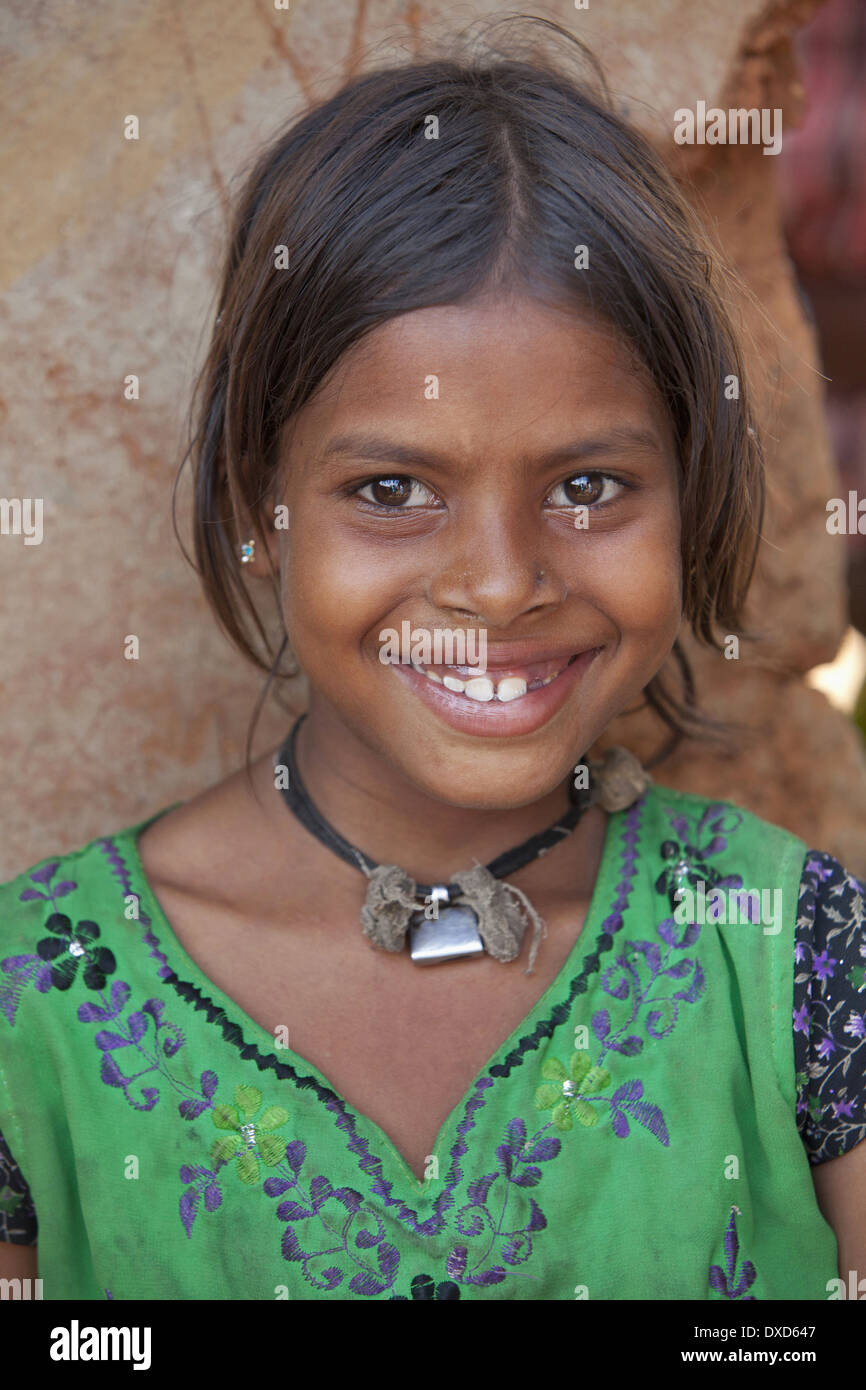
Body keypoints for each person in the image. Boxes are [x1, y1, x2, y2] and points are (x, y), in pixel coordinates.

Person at [1, 23, 865, 1302]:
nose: (501, 581)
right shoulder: (44, 1000)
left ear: (690, 499)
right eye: (393, 487)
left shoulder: (791, 955)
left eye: (587, 484)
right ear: (257, 505)